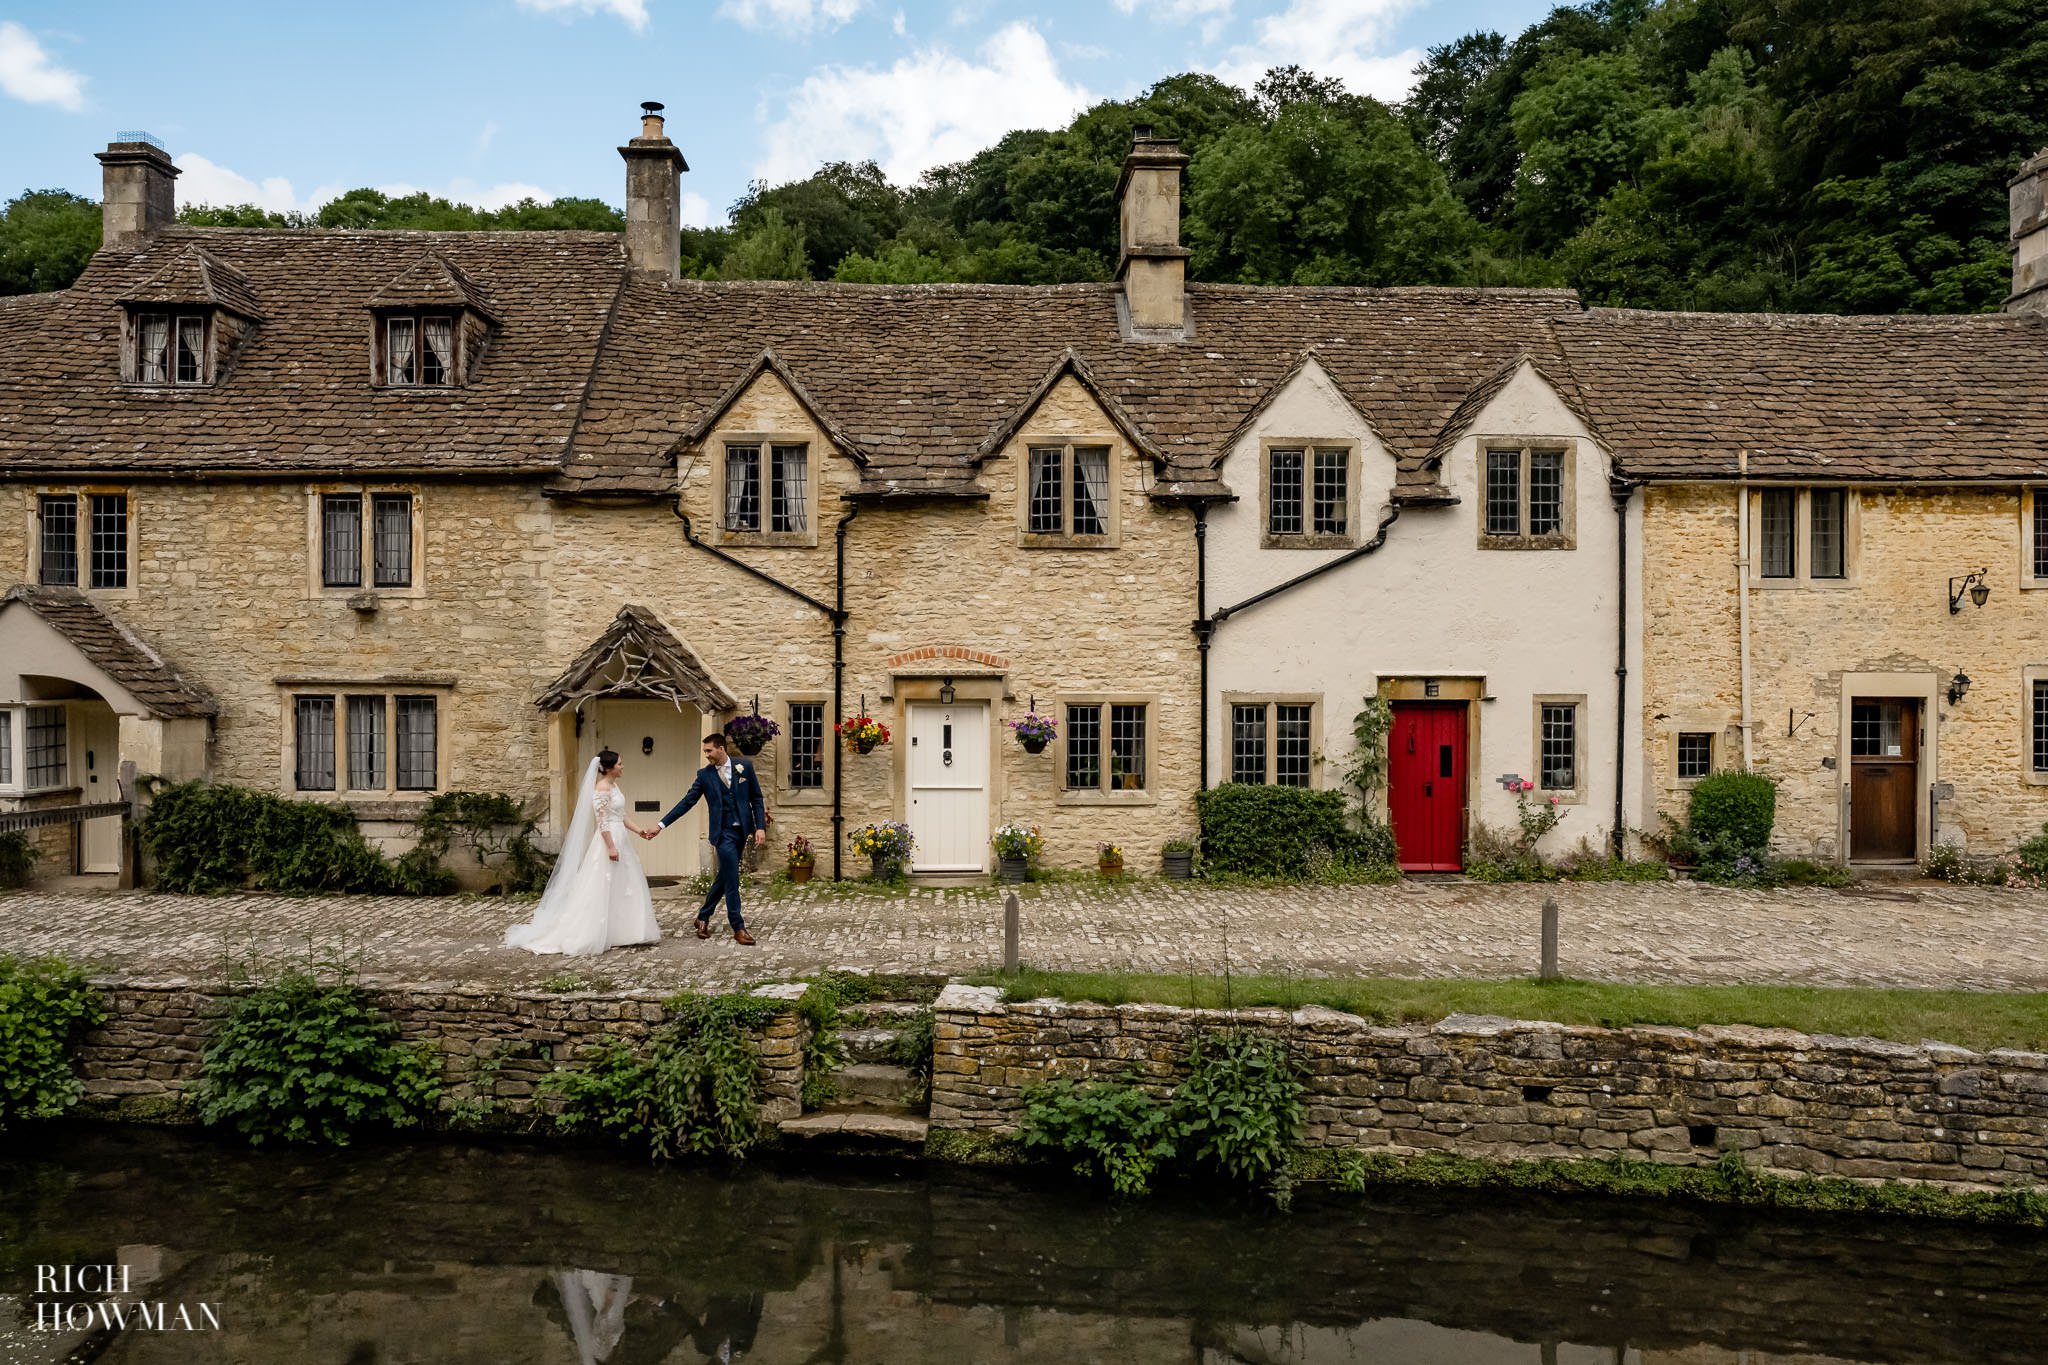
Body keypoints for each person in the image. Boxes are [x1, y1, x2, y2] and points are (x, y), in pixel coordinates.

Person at [504, 749, 661, 956]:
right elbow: (602, 822)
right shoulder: (601, 788)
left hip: (621, 838)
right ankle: (591, 932)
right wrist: (610, 846)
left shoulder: (614, 785)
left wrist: (639, 830)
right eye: (619, 764)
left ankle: (623, 932)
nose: (622, 767)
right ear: (609, 768)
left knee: (623, 884)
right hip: (609, 840)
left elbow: (621, 815)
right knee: (602, 885)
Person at [643, 731, 764, 944]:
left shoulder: (744, 767)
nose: (706, 755)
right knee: (732, 879)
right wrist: (661, 825)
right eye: (705, 751)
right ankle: (738, 927)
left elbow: (756, 798)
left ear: (721, 748)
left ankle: (703, 916)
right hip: (722, 833)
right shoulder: (704, 775)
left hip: (741, 831)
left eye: (709, 751)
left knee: (725, 875)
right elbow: (686, 802)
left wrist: (760, 827)